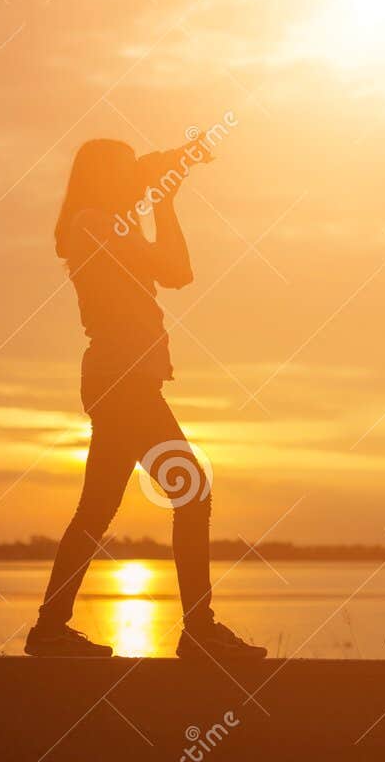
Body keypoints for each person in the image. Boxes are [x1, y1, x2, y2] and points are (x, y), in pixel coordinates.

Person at [25, 137, 265, 661]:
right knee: (193, 491)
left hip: (128, 380)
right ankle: (199, 630)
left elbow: (179, 273)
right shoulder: (93, 223)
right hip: (122, 379)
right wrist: (161, 183)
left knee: (96, 511)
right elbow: (173, 269)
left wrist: (167, 195)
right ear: (103, 175)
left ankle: (48, 630)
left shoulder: (110, 223)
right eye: (124, 169)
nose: (133, 176)